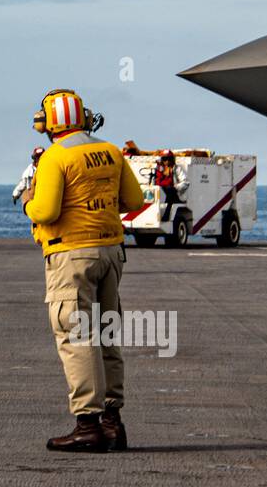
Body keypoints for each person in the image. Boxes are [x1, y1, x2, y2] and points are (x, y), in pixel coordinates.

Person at [23, 88, 145, 452]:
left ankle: (87, 425)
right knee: (107, 334)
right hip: (111, 253)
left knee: (77, 337)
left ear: (51, 125)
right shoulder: (109, 151)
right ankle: (112, 423)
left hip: (72, 257)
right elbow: (135, 201)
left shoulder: (54, 158)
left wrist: (28, 202)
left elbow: (45, 212)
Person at [153, 150, 184, 220]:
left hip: (170, 190)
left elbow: (184, 182)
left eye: (169, 159)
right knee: (170, 192)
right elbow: (157, 179)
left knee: (171, 191)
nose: (167, 161)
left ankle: (167, 213)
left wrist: (176, 187)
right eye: (164, 159)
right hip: (160, 189)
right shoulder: (159, 167)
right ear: (162, 160)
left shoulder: (174, 168)